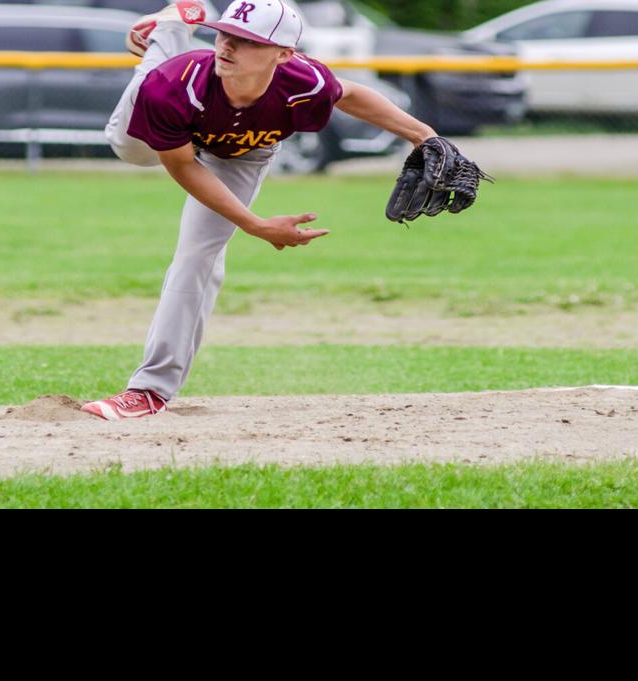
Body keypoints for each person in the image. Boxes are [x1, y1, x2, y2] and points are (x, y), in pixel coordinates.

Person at [83, 0, 438, 420]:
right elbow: (181, 165)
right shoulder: (173, 85)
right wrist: (254, 224)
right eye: (225, 34)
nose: (227, 46)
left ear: (284, 54)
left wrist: (426, 137)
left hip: (242, 152)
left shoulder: (302, 80)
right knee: (130, 149)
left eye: (247, 41)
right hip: (165, 123)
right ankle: (169, 32)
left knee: (199, 256)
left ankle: (149, 391)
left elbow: (352, 94)